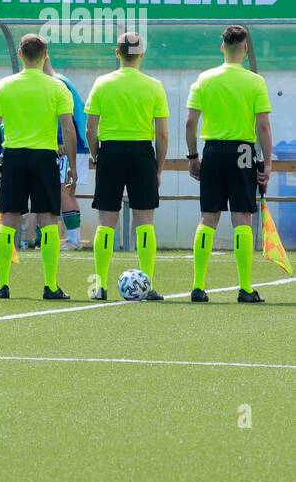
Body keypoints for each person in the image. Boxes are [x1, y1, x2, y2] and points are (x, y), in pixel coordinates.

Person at [0, 34, 76, 300]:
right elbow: (68, 128)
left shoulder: (6, 85)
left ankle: (2, 285)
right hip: (44, 157)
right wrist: (72, 165)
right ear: (45, 55)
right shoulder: (57, 87)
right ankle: (50, 285)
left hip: (13, 157)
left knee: (9, 219)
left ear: (21, 54)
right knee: (48, 220)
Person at [185, 25, 272, 304]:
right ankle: (245, 288)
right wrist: (267, 164)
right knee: (242, 218)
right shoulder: (255, 81)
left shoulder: (205, 78)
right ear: (245, 49)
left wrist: (192, 156)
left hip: (212, 150)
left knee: (208, 217)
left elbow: (190, 122)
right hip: (243, 151)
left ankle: (198, 286)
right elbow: (263, 126)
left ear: (222, 47)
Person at [85, 32, 168, 302]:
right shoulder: (154, 85)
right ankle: (148, 284)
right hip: (142, 152)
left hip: (110, 151)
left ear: (117, 53)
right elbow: (163, 134)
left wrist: (98, 156)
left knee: (106, 221)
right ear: (141, 54)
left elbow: (90, 128)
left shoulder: (102, 83)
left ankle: (98, 286)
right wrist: (158, 168)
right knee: (145, 221)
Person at [45, 58, 90, 250]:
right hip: (79, 145)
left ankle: (73, 240)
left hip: (71, 146)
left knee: (62, 192)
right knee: (68, 192)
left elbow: (67, 115)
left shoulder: (57, 82)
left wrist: (60, 140)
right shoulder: (62, 80)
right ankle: (74, 238)